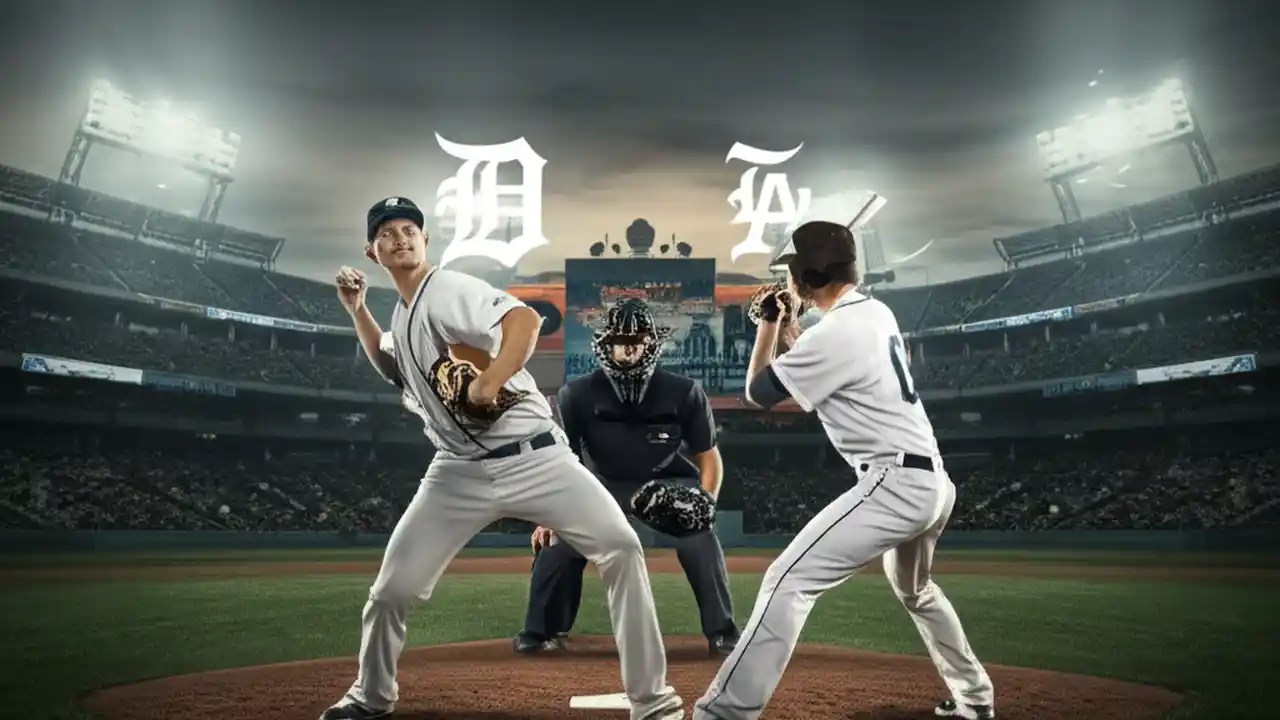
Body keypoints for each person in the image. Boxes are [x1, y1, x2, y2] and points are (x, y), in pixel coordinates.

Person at [319, 197, 684, 720]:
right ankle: (370, 696)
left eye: (409, 229)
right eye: (387, 233)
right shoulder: (404, 314)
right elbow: (393, 366)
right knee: (390, 591)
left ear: (425, 242)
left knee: (621, 548)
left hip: (534, 455)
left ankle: (653, 703)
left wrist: (490, 382)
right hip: (456, 471)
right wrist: (358, 311)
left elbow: (524, 322)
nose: (400, 237)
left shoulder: (447, 289)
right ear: (372, 252)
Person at [692, 221, 995, 720]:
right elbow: (816, 370)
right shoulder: (875, 312)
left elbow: (759, 393)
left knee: (787, 579)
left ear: (808, 272)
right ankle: (976, 699)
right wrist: (789, 329)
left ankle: (723, 713)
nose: (787, 280)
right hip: (932, 482)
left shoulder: (837, 330)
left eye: (791, 270)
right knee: (917, 591)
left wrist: (768, 326)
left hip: (893, 483)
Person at [513, 298, 740, 657]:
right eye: (620, 339)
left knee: (700, 539)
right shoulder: (576, 394)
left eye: (638, 339)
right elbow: (559, 459)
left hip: (669, 486)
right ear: (605, 343)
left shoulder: (685, 392)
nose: (630, 347)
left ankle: (723, 632)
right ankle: (541, 630)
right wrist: (547, 516)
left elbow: (708, 455)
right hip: (601, 488)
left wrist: (707, 500)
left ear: (653, 342)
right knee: (557, 545)